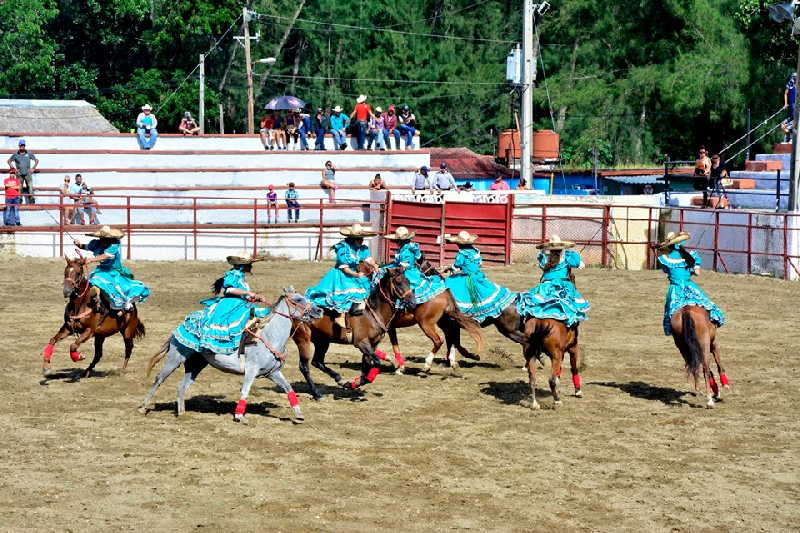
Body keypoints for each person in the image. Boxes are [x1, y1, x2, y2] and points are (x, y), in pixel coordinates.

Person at [173, 254, 271, 354]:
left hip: (241, 303)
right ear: (243, 266)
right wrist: (247, 293)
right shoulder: (234, 274)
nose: (251, 266)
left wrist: (255, 297)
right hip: (231, 304)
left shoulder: (241, 277)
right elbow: (229, 290)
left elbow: (242, 293)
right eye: (249, 264)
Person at [305, 223, 379, 330]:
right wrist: (356, 274)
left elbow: (368, 259)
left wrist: (375, 265)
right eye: (359, 238)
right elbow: (344, 268)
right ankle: (339, 317)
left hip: (356, 274)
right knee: (346, 295)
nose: (361, 240)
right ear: (352, 238)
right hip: (342, 275)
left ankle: (360, 317)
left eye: (362, 238)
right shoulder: (343, 249)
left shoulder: (362, 249)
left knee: (367, 290)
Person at [655, 231, 725, 336]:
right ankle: (713, 324)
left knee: (670, 311)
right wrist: (690, 270)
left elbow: (668, 271)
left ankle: (672, 330)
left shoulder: (665, 259)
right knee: (707, 305)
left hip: (675, 289)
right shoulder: (691, 256)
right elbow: (697, 273)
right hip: (690, 286)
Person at [516, 235, 590, 327]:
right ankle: (570, 325)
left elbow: (542, 260)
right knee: (571, 304)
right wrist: (570, 253)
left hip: (545, 286)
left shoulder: (544, 259)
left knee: (536, 302)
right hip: (563, 285)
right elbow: (579, 264)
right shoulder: (567, 257)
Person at [72, 225, 150, 312]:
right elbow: (85, 247)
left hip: (113, 271)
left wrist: (91, 259)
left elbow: (106, 256)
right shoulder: (96, 244)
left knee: (116, 287)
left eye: (105, 238)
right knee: (91, 281)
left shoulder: (114, 245)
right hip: (101, 270)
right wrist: (79, 244)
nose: (103, 240)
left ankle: (124, 303)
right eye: (101, 238)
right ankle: (96, 302)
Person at [442, 230, 516, 322]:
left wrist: (449, 268)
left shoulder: (462, 254)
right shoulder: (475, 252)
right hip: (478, 275)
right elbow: (480, 264)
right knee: (486, 292)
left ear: (459, 244)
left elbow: (457, 265)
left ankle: (456, 311)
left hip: (468, 277)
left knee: (450, 284)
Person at [384, 226, 445, 305]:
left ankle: (402, 305)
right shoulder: (407, 248)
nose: (396, 243)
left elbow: (402, 267)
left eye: (396, 241)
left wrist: (387, 269)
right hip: (412, 271)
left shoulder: (406, 251)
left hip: (408, 274)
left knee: (399, 286)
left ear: (399, 241)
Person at [7, 139, 39, 204]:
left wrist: (33, 168)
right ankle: (19, 199)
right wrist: (13, 168)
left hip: (28, 173)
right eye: (21, 145)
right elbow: (9, 161)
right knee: (19, 187)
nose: (22, 146)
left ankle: (31, 199)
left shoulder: (29, 153)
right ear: (19, 146)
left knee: (30, 186)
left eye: (23, 145)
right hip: (19, 174)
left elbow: (36, 160)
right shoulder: (16, 154)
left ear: (25, 146)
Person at [783, 72, 797, 143]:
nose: (794, 80)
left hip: (796, 111)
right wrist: (785, 104)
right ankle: (789, 137)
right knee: (783, 125)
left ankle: (792, 138)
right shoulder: (790, 83)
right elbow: (785, 93)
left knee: (794, 124)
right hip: (791, 110)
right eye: (793, 78)